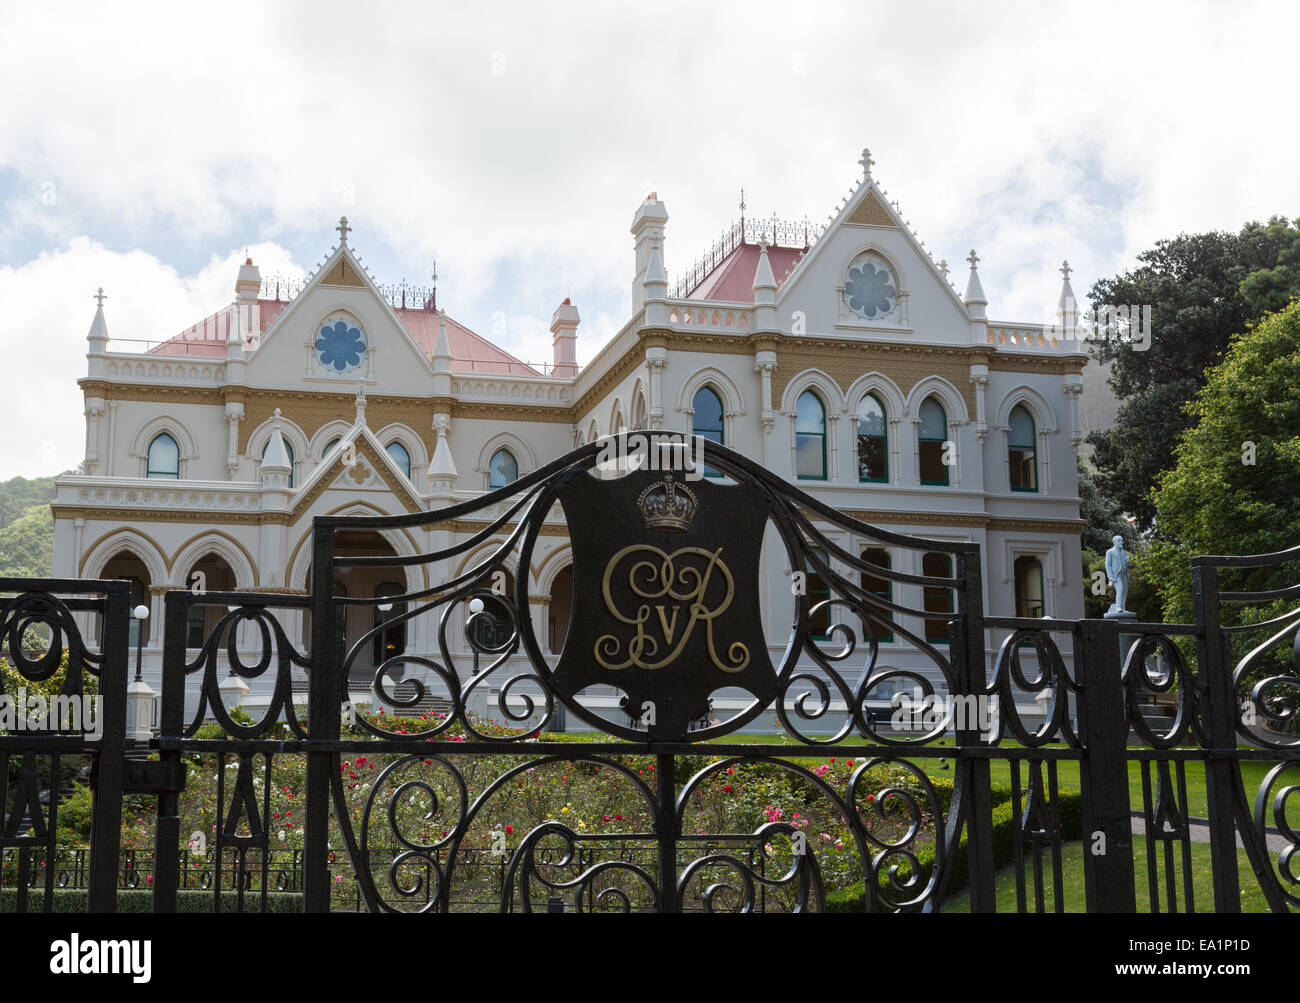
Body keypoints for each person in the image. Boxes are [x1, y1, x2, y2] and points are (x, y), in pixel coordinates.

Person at [1105, 534, 1131, 615]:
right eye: (1119, 540)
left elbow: (1127, 565)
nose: (1121, 542)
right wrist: (1110, 576)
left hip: (1124, 575)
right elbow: (1108, 565)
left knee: (1125, 591)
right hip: (1116, 575)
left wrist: (1128, 561)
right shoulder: (1110, 552)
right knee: (1120, 589)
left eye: (1122, 540)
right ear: (1114, 542)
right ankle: (1118, 607)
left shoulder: (1124, 552)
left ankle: (1123, 607)